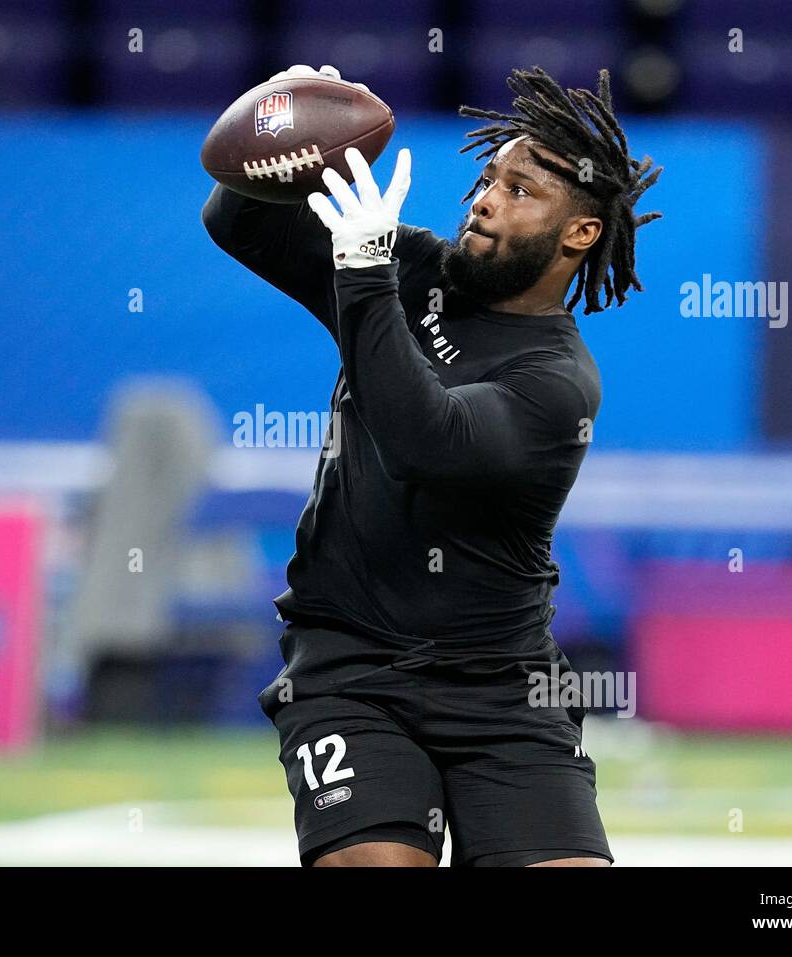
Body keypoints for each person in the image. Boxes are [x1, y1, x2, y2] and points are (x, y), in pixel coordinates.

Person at [201, 63, 663, 867]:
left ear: (580, 233)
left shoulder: (559, 382)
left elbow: (425, 440)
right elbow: (234, 216)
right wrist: (284, 114)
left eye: (522, 191)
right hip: (350, 665)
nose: (485, 197)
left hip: (504, 688)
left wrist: (364, 276)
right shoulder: (409, 270)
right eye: (490, 176)